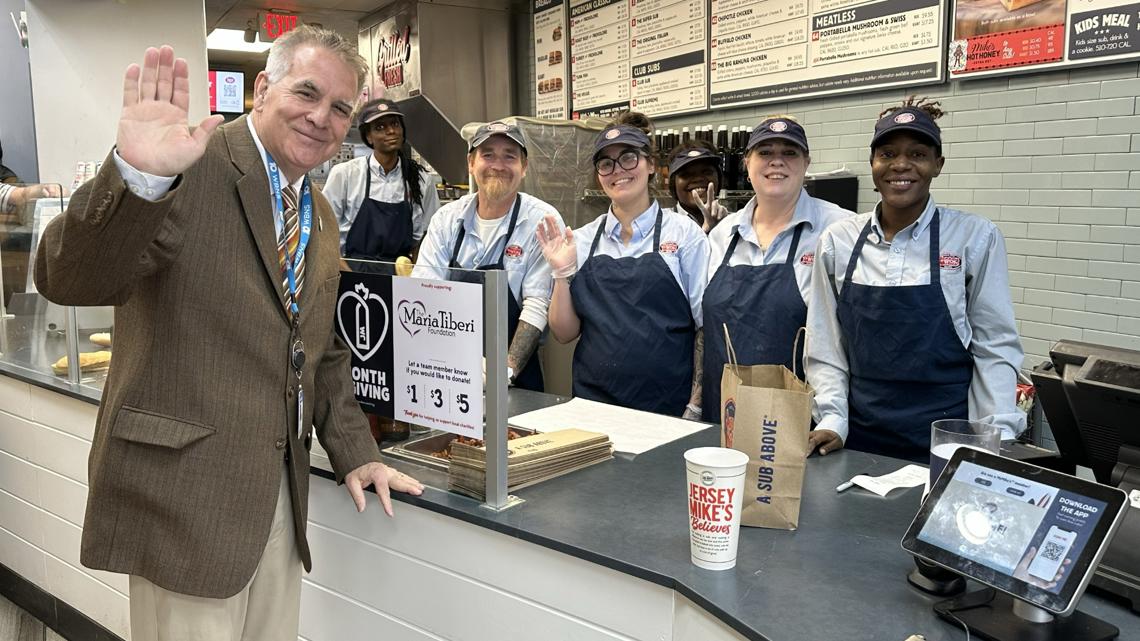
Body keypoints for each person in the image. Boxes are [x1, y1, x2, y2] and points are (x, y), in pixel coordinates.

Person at [33, 27, 424, 641]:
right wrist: (137, 177)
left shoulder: (319, 214)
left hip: (278, 500)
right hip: (184, 500)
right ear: (262, 89)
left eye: (340, 108)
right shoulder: (187, 168)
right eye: (307, 93)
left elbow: (319, 351)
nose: (321, 118)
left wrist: (357, 452)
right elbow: (68, 277)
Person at [805, 97, 1024, 462]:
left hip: (949, 440)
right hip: (857, 436)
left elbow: (994, 345)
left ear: (938, 164)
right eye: (887, 154)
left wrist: (993, 435)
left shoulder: (974, 237)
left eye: (918, 154)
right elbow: (825, 344)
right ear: (873, 163)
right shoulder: (837, 241)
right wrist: (832, 419)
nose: (901, 165)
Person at [538, 112, 709, 418]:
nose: (618, 170)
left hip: (667, 408)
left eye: (629, 158)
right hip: (592, 405)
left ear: (650, 165)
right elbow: (564, 333)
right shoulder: (582, 240)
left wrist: (695, 406)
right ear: (599, 175)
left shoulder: (684, 234)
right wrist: (561, 274)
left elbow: (704, 327)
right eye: (606, 163)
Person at [702, 117, 853, 424]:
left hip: (800, 419)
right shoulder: (722, 235)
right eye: (765, 152)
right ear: (747, 163)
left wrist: (833, 419)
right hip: (723, 412)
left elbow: (846, 334)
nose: (777, 161)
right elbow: (702, 330)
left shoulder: (839, 230)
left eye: (789, 153)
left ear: (806, 163)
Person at [412, 121, 561, 392]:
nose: (498, 165)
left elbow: (537, 304)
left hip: (517, 379)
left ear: (524, 167)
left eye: (509, 156)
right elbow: (424, 294)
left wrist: (504, 372)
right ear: (471, 163)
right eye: (488, 154)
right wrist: (444, 365)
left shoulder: (542, 221)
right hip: (447, 371)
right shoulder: (446, 220)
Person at [321, 98, 440, 261]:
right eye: (380, 127)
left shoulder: (421, 180)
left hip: (400, 272)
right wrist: (343, 269)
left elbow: (429, 236)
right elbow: (323, 232)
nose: (391, 131)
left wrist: (416, 271)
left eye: (395, 124)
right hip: (350, 270)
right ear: (368, 137)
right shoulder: (345, 175)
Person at [665, 139, 728, 233]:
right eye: (686, 174)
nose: (698, 179)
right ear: (673, 184)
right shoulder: (661, 224)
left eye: (706, 172)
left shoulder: (734, 224)